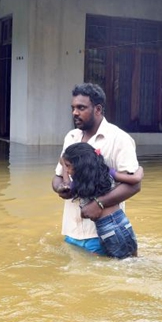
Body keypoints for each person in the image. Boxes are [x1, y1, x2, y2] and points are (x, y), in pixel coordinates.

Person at [51, 83, 142, 256]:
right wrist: (61, 188)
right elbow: (58, 176)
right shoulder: (71, 137)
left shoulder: (119, 139)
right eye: (73, 108)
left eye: (81, 108)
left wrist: (99, 204)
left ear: (98, 109)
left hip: (103, 234)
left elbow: (134, 185)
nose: (75, 113)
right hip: (71, 231)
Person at [60, 142, 143, 258]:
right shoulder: (108, 173)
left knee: (118, 264)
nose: (67, 170)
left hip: (107, 229)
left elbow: (66, 185)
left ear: (79, 166)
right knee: (133, 260)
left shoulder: (79, 184)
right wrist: (140, 168)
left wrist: (63, 167)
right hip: (123, 223)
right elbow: (136, 179)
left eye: (68, 166)